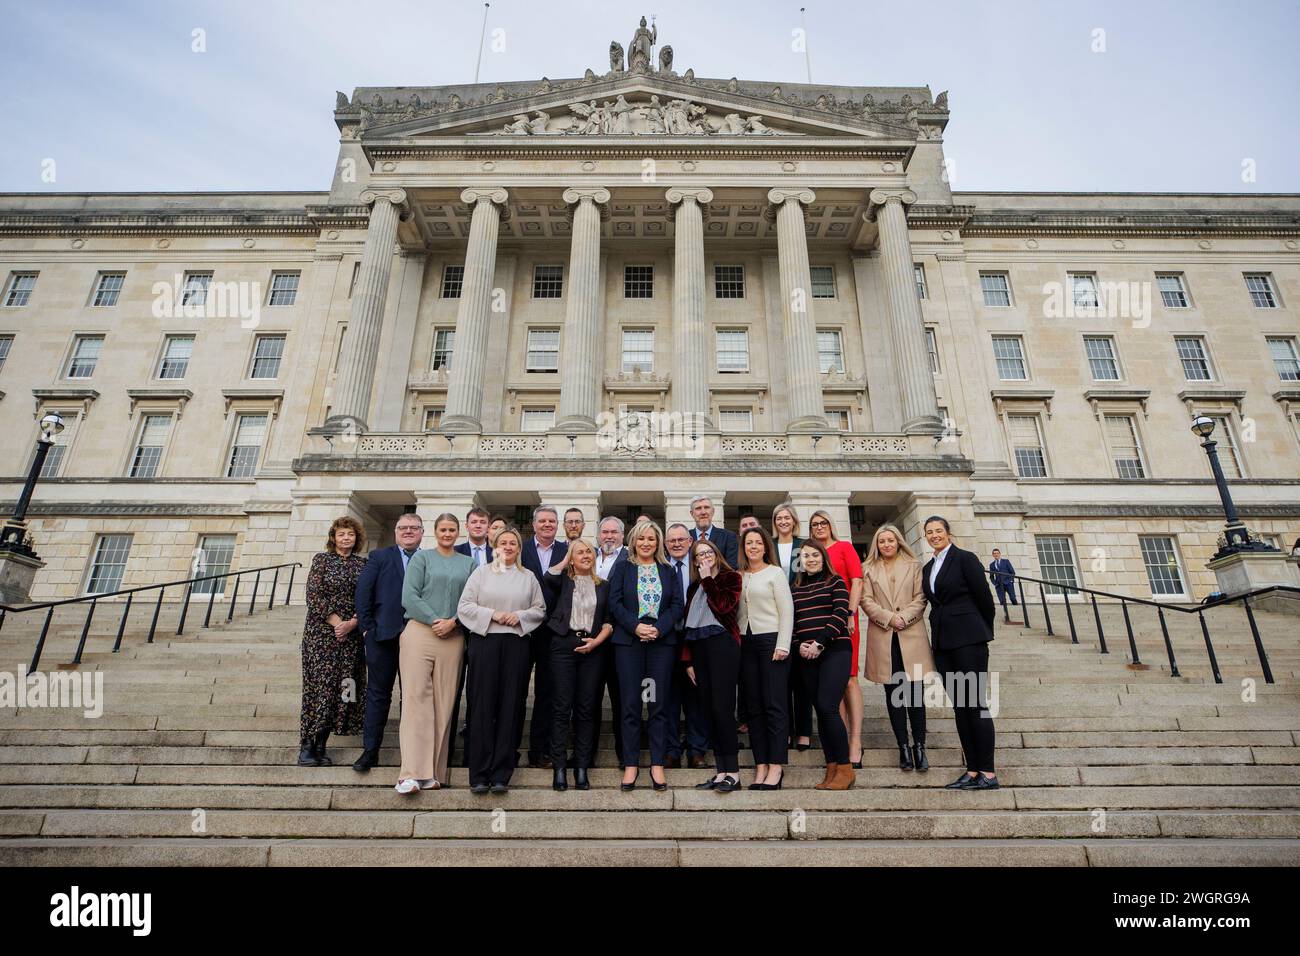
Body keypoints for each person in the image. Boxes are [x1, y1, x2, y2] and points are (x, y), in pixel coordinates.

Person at [456, 527, 547, 794]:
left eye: (513, 543)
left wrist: (519, 616)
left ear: (519, 549)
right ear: (494, 546)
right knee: (482, 705)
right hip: (485, 641)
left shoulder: (528, 577)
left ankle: (501, 774)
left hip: (516, 644)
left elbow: (539, 609)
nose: (508, 547)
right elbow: (465, 607)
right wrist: (493, 614)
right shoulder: (480, 573)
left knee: (511, 706)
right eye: (503, 542)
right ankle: (479, 774)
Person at [395, 513, 475, 793]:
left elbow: (471, 600)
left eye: (452, 529)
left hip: (453, 637)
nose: (447, 533)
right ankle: (411, 773)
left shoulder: (469, 563)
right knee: (416, 702)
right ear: (435, 530)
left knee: (444, 705)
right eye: (443, 529)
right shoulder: (422, 558)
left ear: (458, 532)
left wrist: (453, 621)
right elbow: (410, 596)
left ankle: (433, 773)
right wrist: (435, 620)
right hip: (420, 632)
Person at [920, 516, 998, 791]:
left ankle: (988, 772)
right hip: (943, 644)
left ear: (948, 533)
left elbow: (985, 599)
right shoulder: (929, 566)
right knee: (961, 707)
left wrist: (979, 629)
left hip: (969, 640)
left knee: (975, 704)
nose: (934, 535)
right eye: (929, 532)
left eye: (938, 531)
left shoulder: (965, 558)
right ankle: (973, 770)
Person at [606, 519, 684, 792]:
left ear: (658, 542)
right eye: (641, 538)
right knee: (630, 704)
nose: (646, 543)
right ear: (633, 541)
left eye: (651, 538)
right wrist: (636, 626)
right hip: (629, 644)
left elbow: (677, 605)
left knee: (657, 705)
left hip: (660, 645)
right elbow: (613, 603)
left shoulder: (667, 570)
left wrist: (658, 629)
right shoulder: (623, 568)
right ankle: (630, 765)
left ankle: (657, 765)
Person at [353, 512, 425, 772]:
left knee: (414, 698)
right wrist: (366, 630)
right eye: (403, 527)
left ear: (421, 533)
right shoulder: (380, 557)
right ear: (395, 532)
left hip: (419, 640)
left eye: (414, 528)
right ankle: (370, 751)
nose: (408, 532)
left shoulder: (429, 559)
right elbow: (363, 593)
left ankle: (412, 755)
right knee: (378, 696)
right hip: (382, 638)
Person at [540, 538, 612, 791]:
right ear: (571, 557)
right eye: (580, 552)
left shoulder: (604, 586)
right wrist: (567, 559)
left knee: (586, 709)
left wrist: (595, 643)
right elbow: (548, 575)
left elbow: (607, 621)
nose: (586, 555)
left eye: (589, 552)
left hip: (593, 649)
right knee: (561, 708)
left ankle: (581, 767)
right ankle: (559, 768)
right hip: (563, 646)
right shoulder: (563, 580)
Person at [861, 523, 933, 773]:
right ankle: (903, 746)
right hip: (884, 637)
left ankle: (919, 746)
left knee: (915, 696)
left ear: (898, 541)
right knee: (894, 696)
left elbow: (921, 598)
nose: (887, 544)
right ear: (877, 545)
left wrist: (904, 618)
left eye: (891, 540)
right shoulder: (868, 568)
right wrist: (889, 618)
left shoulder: (914, 566)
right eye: (882, 541)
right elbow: (865, 600)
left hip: (911, 635)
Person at [298, 517, 367, 768]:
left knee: (342, 690)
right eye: (341, 534)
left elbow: (368, 597)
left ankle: (322, 745)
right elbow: (313, 594)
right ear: (333, 538)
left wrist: (352, 623)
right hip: (321, 635)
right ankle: (308, 746)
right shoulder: (322, 560)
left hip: (350, 637)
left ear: (356, 538)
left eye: (350, 534)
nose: (346, 538)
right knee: (320, 688)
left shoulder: (363, 565)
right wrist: (337, 622)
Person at [790, 540, 854, 790]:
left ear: (823, 557)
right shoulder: (795, 588)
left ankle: (845, 769)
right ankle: (832, 769)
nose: (811, 559)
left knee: (828, 707)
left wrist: (820, 642)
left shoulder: (835, 581)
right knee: (820, 709)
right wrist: (799, 645)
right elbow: (792, 620)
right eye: (806, 555)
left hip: (834, 650)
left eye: (815, 555)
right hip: (807, 655)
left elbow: (840, 613)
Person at [682, 537, 744, 793]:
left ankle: (734, 773)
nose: (704, 557)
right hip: (699, 649)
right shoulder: (693, 587)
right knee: (709, 710)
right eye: (699, 555)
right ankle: (721, 772)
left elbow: (724, 606)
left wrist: (708, 579)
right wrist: (688, 661)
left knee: (722, 709)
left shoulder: (731, 578)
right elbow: (687, 624)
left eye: (708, 553)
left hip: (722, 646)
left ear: (716, 555)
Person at [736, 526, 794, 790]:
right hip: (746, 643)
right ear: (744, 547)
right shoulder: (739, 575)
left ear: (765, 546)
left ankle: (776, 766)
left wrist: (783, 644)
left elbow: (786, 611)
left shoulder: (775, 573)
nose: (754, 547)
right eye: (749, 543)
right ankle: (760, 764)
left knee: (774, 705)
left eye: (758, 542)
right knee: (754, 708)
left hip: (772, 642)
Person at [807, 510, 865, 767]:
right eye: (814, 525)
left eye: (823, 523)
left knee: (850, 681)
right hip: (821, 626)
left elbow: (857, 581)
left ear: (831, 525)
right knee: (832, 688)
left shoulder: (844, 547)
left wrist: (850, 614)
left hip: (846, 621)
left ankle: (855, 741)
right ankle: (838, 740)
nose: (819, 527)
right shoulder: (810, 553)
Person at [519, 505, 568, 768]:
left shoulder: (565, 551)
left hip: (554, 632)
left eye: (552, 521)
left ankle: (541, 751)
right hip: (523, 630)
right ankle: (510, 749)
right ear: (534, 524)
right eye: (542, 521)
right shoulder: (521, 549)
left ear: (557, 525)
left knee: (547, 693)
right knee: (516, 692)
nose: (547, 524)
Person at [664, 522, 710, 769]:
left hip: (697, 639)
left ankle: (696, 750)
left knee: (696, 697)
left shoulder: (701, 568)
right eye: (672, 541)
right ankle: (671, 750)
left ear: (690, 542)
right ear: (666, 544)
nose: (677, 544)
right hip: (667, 640)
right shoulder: (661, 568)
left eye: (682, 539)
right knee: (668, 698)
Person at [771, 502, 810, 750]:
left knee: (801, 678)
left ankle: (804, 732)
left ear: (794, 521)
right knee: (781, 678)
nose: (783, 521)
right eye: (779, 518)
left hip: (802, 612)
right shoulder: (771, 547)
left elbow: (806, 574)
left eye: (787, 518)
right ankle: (784, 731)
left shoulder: (803, 546)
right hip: (775, 615)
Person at [590, 515, 628, 767]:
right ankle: (587, 755)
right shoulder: (588, 557)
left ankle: (625, 754)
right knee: (589, 700)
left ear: (623, 536)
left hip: (620, 641)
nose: (609, 536)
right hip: (591, 640)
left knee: (622, 701)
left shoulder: (630, 559)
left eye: (614, 532)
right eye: (605, 532)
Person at [688, 495, 739, 568]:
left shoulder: (728, 537)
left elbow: (732, 567)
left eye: (706, 507)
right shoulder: (685, 538)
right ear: (692, 514)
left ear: (713, 511)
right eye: (698, 508)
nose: (703, 512)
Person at [988, 548, 1017, 613]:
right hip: (999, 585)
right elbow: (991, 576)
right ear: (993, 555)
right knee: (1002, 601)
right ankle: (1006, 615)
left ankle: (1018, 612)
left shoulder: (1006, 561)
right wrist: (995, 584)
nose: (996, 555)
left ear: (999, 554)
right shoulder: (992, 565)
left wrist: (1011, 581)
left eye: (997, 553)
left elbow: (1012, 572)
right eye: (994, 553)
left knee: (1013, 598)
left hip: (1008, 583)